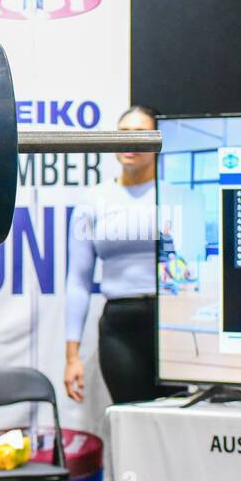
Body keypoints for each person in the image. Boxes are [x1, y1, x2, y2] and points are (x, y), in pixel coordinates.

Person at [63, 106, 161, 405]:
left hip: (170, 323)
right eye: (124, 134)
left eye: (141, 135)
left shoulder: (176, 191)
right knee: (131, 422)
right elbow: (78, 282)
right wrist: (72, 357)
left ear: (157, 140)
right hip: (121, 327)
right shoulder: (93, 200)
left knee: (176, 426)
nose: (131, 142)